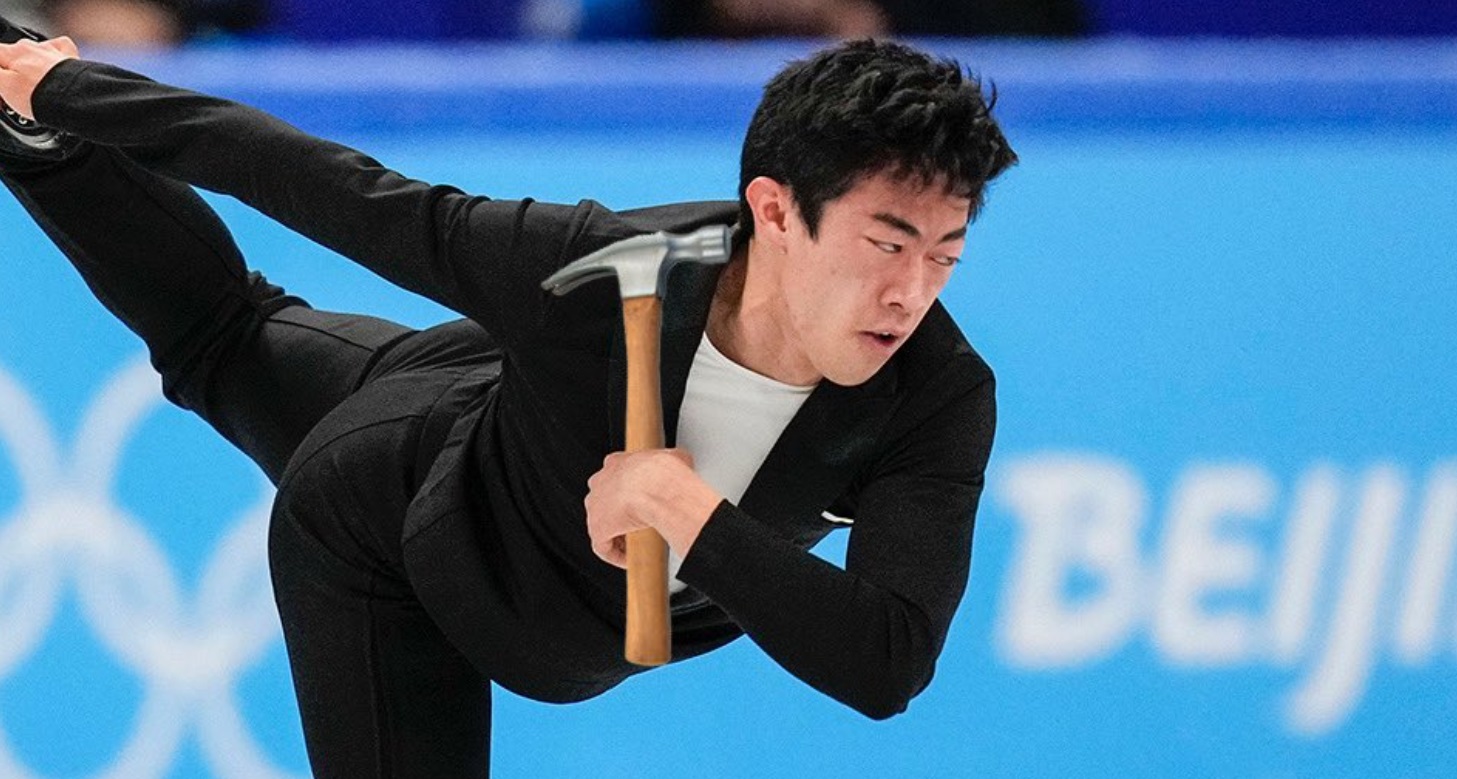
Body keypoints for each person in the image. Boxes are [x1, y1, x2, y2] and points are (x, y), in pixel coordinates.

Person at [0, 19, 1015, 777]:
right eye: (886, 243)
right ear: (774, 211)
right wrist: (77, 92)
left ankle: (26, 139)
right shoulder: (594, 270)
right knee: (227, 337)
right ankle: (28, 105)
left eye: (946, 253)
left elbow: (883, 659)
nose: (909, 291)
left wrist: (681, 509)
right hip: (388, 527)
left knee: (219, 332)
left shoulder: (935, 394)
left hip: (484, 417)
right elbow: (332, 187)